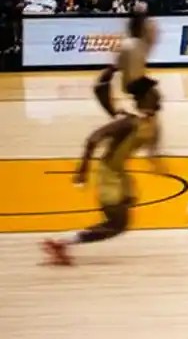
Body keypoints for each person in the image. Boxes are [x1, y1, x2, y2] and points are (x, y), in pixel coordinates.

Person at [42, 13, 163, 266]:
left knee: (125, 212)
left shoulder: (148, 120)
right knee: (117, 224)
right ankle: (61, 242)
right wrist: (82, 172)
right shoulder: (130, 119)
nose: (159, 97)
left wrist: (155, 158)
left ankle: (63, 242)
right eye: (154, 94)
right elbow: (93, 138)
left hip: (119, 173)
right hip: (109, 174)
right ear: (145, 100)